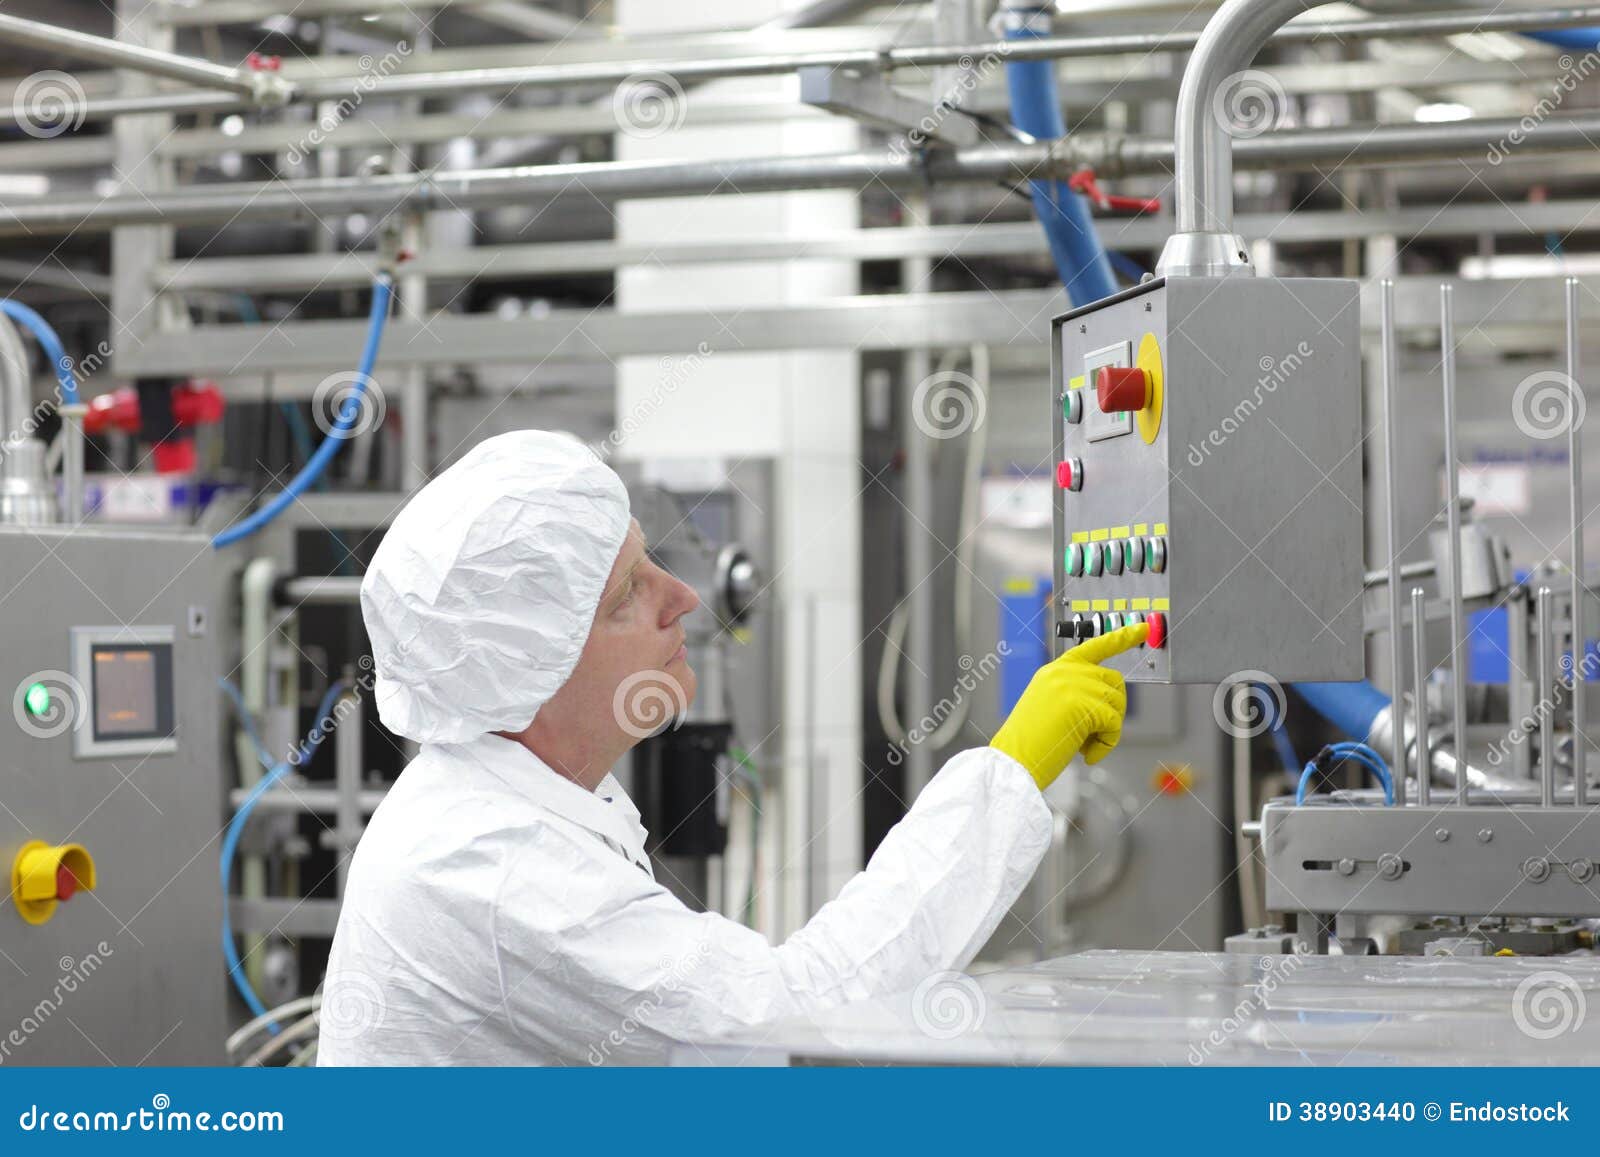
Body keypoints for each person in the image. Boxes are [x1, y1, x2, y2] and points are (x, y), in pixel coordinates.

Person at [318, 429, 1145, 1065]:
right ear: (531, 662)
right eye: (626, 595)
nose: (681, 597)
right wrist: (1009, 771)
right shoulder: (494, 867)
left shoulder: (510, 804)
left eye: (654, 564)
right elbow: (800, 1015)